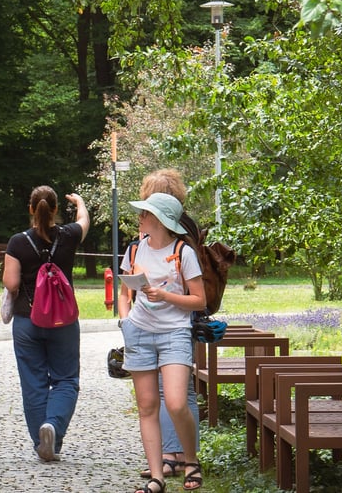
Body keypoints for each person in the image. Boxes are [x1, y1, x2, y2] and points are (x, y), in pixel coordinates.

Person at [118, 192, 205, 492]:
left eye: (145, 213)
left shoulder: (184, 252)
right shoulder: (134, 250)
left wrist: (165, 295)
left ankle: (190, 460)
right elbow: (123, 290)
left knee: (178, 402)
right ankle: (157, 477)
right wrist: (124, 319)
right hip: (139, 332)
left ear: (159, 220)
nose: (140, 217)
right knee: (147, 406)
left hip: (174, 334)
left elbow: (199, 300)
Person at [2, 186, 89, 462]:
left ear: (31, 209)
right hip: (63, 321)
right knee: (66, 379)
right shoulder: (69, 236)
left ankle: (41, 441)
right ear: (55, 210)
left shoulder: (17, 242)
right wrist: (80, 202)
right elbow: (84, 222)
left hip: (27, 322)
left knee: (33, 383)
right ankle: (53, 426)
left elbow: (11, 283)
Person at [135, 169, 200, 480]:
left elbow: (193, 287)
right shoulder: (178, 228)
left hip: (179, 318)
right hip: (151, 322)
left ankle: (181, 456)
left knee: (176, 395)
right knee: (166, 395)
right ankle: (170, 457)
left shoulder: (181, 238)